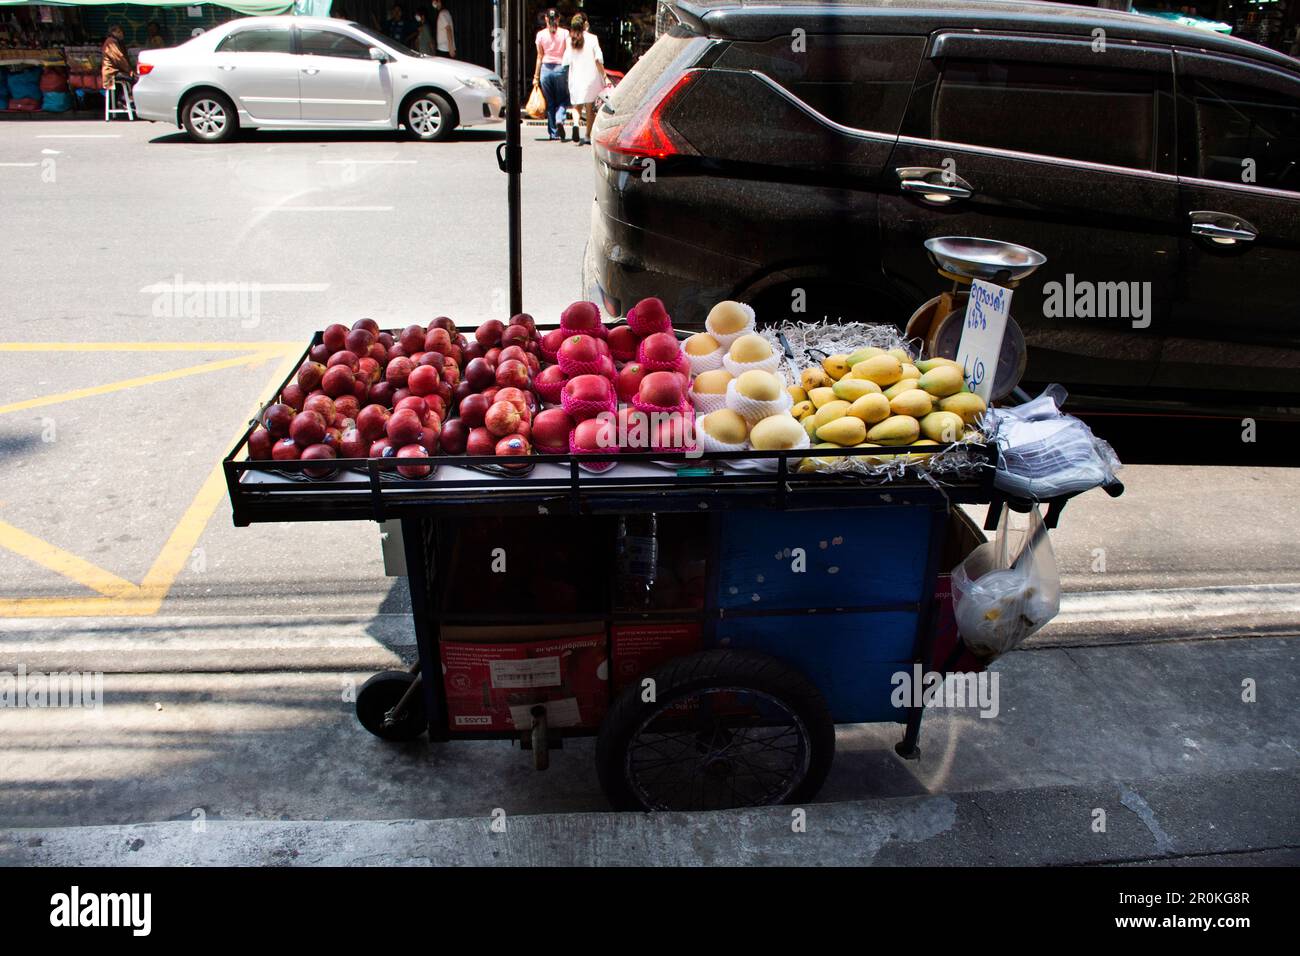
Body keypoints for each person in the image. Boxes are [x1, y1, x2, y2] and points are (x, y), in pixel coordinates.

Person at [562, 13, 606, 146]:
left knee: (576, 106)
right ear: (585, 24)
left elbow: (566, 60)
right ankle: (587, 135)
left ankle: (575, 124)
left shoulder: (570, 40)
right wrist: (604, 75)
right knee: (589, 108)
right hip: (591, 77)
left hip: (576, 77)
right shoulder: (593, 38)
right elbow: (598, 59)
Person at [532, 8, 570, 141]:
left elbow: (539, 56)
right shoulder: (565, 33)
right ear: (558, 19)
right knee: (563, 100)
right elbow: (568, 53)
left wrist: (536, 77)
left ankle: (553, 133)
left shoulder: (540, 35)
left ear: (546, 19)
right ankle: (560, 119)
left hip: (545, 69)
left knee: (550, 102)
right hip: (561, 69)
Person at [100, 24, 133, 89]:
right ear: (112, 33)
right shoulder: (111, 41)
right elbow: (119, 59)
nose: (121, 34)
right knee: (133, 79)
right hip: (112, 72)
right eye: (118, 32)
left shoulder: (119, 42)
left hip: (117, 71)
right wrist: (129, 71)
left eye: (121, 32)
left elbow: (125, 57)